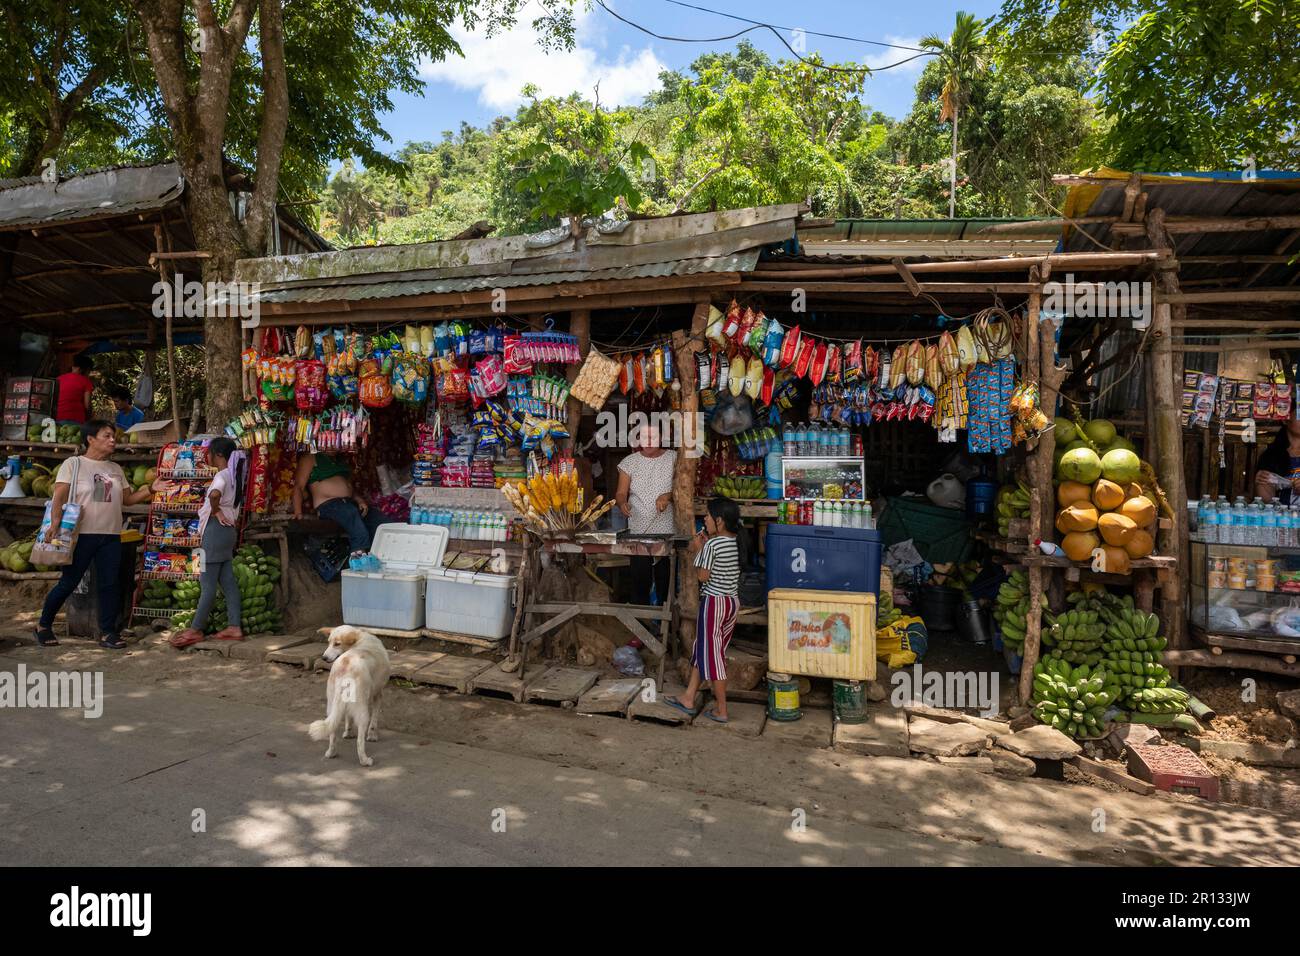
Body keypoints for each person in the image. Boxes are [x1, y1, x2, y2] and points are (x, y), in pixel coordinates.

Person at [34, 420, 174, 648]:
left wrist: (150, 489)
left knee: (110, 584)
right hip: (81, 535)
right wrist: (55, 523)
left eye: (114, 436)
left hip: (110, 535)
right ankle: (43, 625)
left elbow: (126, 500)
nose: (113, 440)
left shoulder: (114, 469)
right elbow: (59, 496)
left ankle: (108, 633)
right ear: (90, 439)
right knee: (69, 582)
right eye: (107, 435)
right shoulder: (74, 464)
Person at [665, 496, 743, 723]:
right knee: (704, 648)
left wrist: (698, 550)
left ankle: (722, 709)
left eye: (708, 515)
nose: (704, 519)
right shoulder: (736, 541)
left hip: (714, 603)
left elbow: (702, 576)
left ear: (719, 520)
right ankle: (688, 697)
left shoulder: (712, 544)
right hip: (731, 603)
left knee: (714, 656)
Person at [171, 437, 246, 647]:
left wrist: (215, 510)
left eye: (210, 452)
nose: (208, 456)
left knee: (207, 584)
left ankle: (195, 629)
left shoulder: (222, 476)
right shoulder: (236, 476)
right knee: (228, 583)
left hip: (213, 533)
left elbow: (214, 495)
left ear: (219, 455)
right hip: (227, 533)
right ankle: (234, 626)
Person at [615, 423, 677, 605]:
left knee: (665, 583)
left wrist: (667, 495)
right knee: (640, 582)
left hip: (666, 531)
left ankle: (663, 628)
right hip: (638, 531)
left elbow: (683, 487)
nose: (648, 442)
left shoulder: (674, 458)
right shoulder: (629, 462)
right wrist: (622, 503)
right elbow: (620, 492)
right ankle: (642, 627)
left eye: (653, 437)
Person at [292, 450, 385, 552]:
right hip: (329, 505)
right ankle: (359, 557)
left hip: (349, 503)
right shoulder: (310, 458)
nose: (333, 446)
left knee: (379, 520)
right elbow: (298, 487)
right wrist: (298, 512)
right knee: (352, 517)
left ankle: (383, 556)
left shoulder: (340, 461)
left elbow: (349, 488)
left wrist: (359, 500)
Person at [1255, 419, 1300, 504]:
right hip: (1282, 515)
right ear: (1285, 419)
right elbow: (1268, 501)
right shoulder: (1271, 455)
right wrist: (1262, 485)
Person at [55, 352, 95, 424]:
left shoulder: (58, 379)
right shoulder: (85, 381)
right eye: (88, 371)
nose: (88, 374)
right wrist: (90, 418)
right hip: (75, 419)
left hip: (57, 418)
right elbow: (87, 405)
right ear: (82, 369)